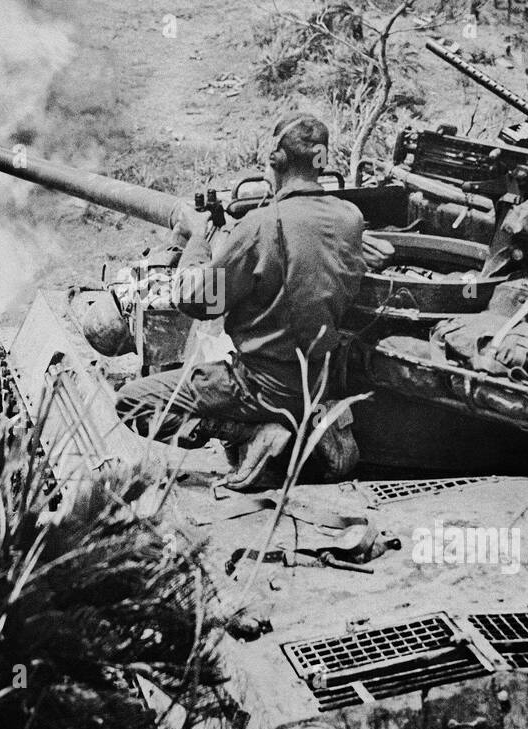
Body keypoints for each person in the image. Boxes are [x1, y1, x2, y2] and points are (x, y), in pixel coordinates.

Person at [114, 114, 366, 489]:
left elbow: (199, 302)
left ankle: (251, 433)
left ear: (275, 161)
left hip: (263, 386)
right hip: (319, 381)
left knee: (132, 403)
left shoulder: (260, 226)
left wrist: (200, 241)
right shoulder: (351, 218)